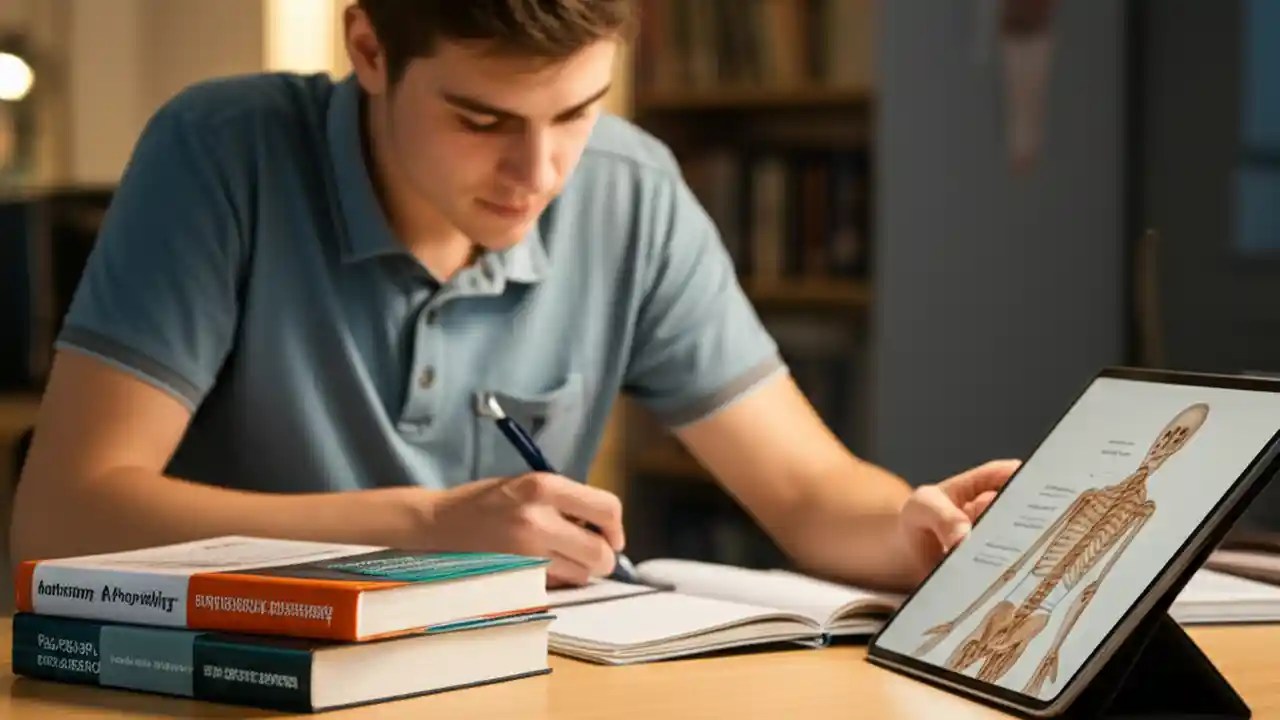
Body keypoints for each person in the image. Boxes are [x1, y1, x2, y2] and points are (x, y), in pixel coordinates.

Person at [10, 0, 1018, 591]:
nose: (537, 172)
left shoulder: (630, 188)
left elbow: (803, 490)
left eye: (576, 110)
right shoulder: (224, 152)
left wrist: (909, 531)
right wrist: (427, 523)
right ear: (366, 49)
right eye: (480, 117)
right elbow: (59, 519)